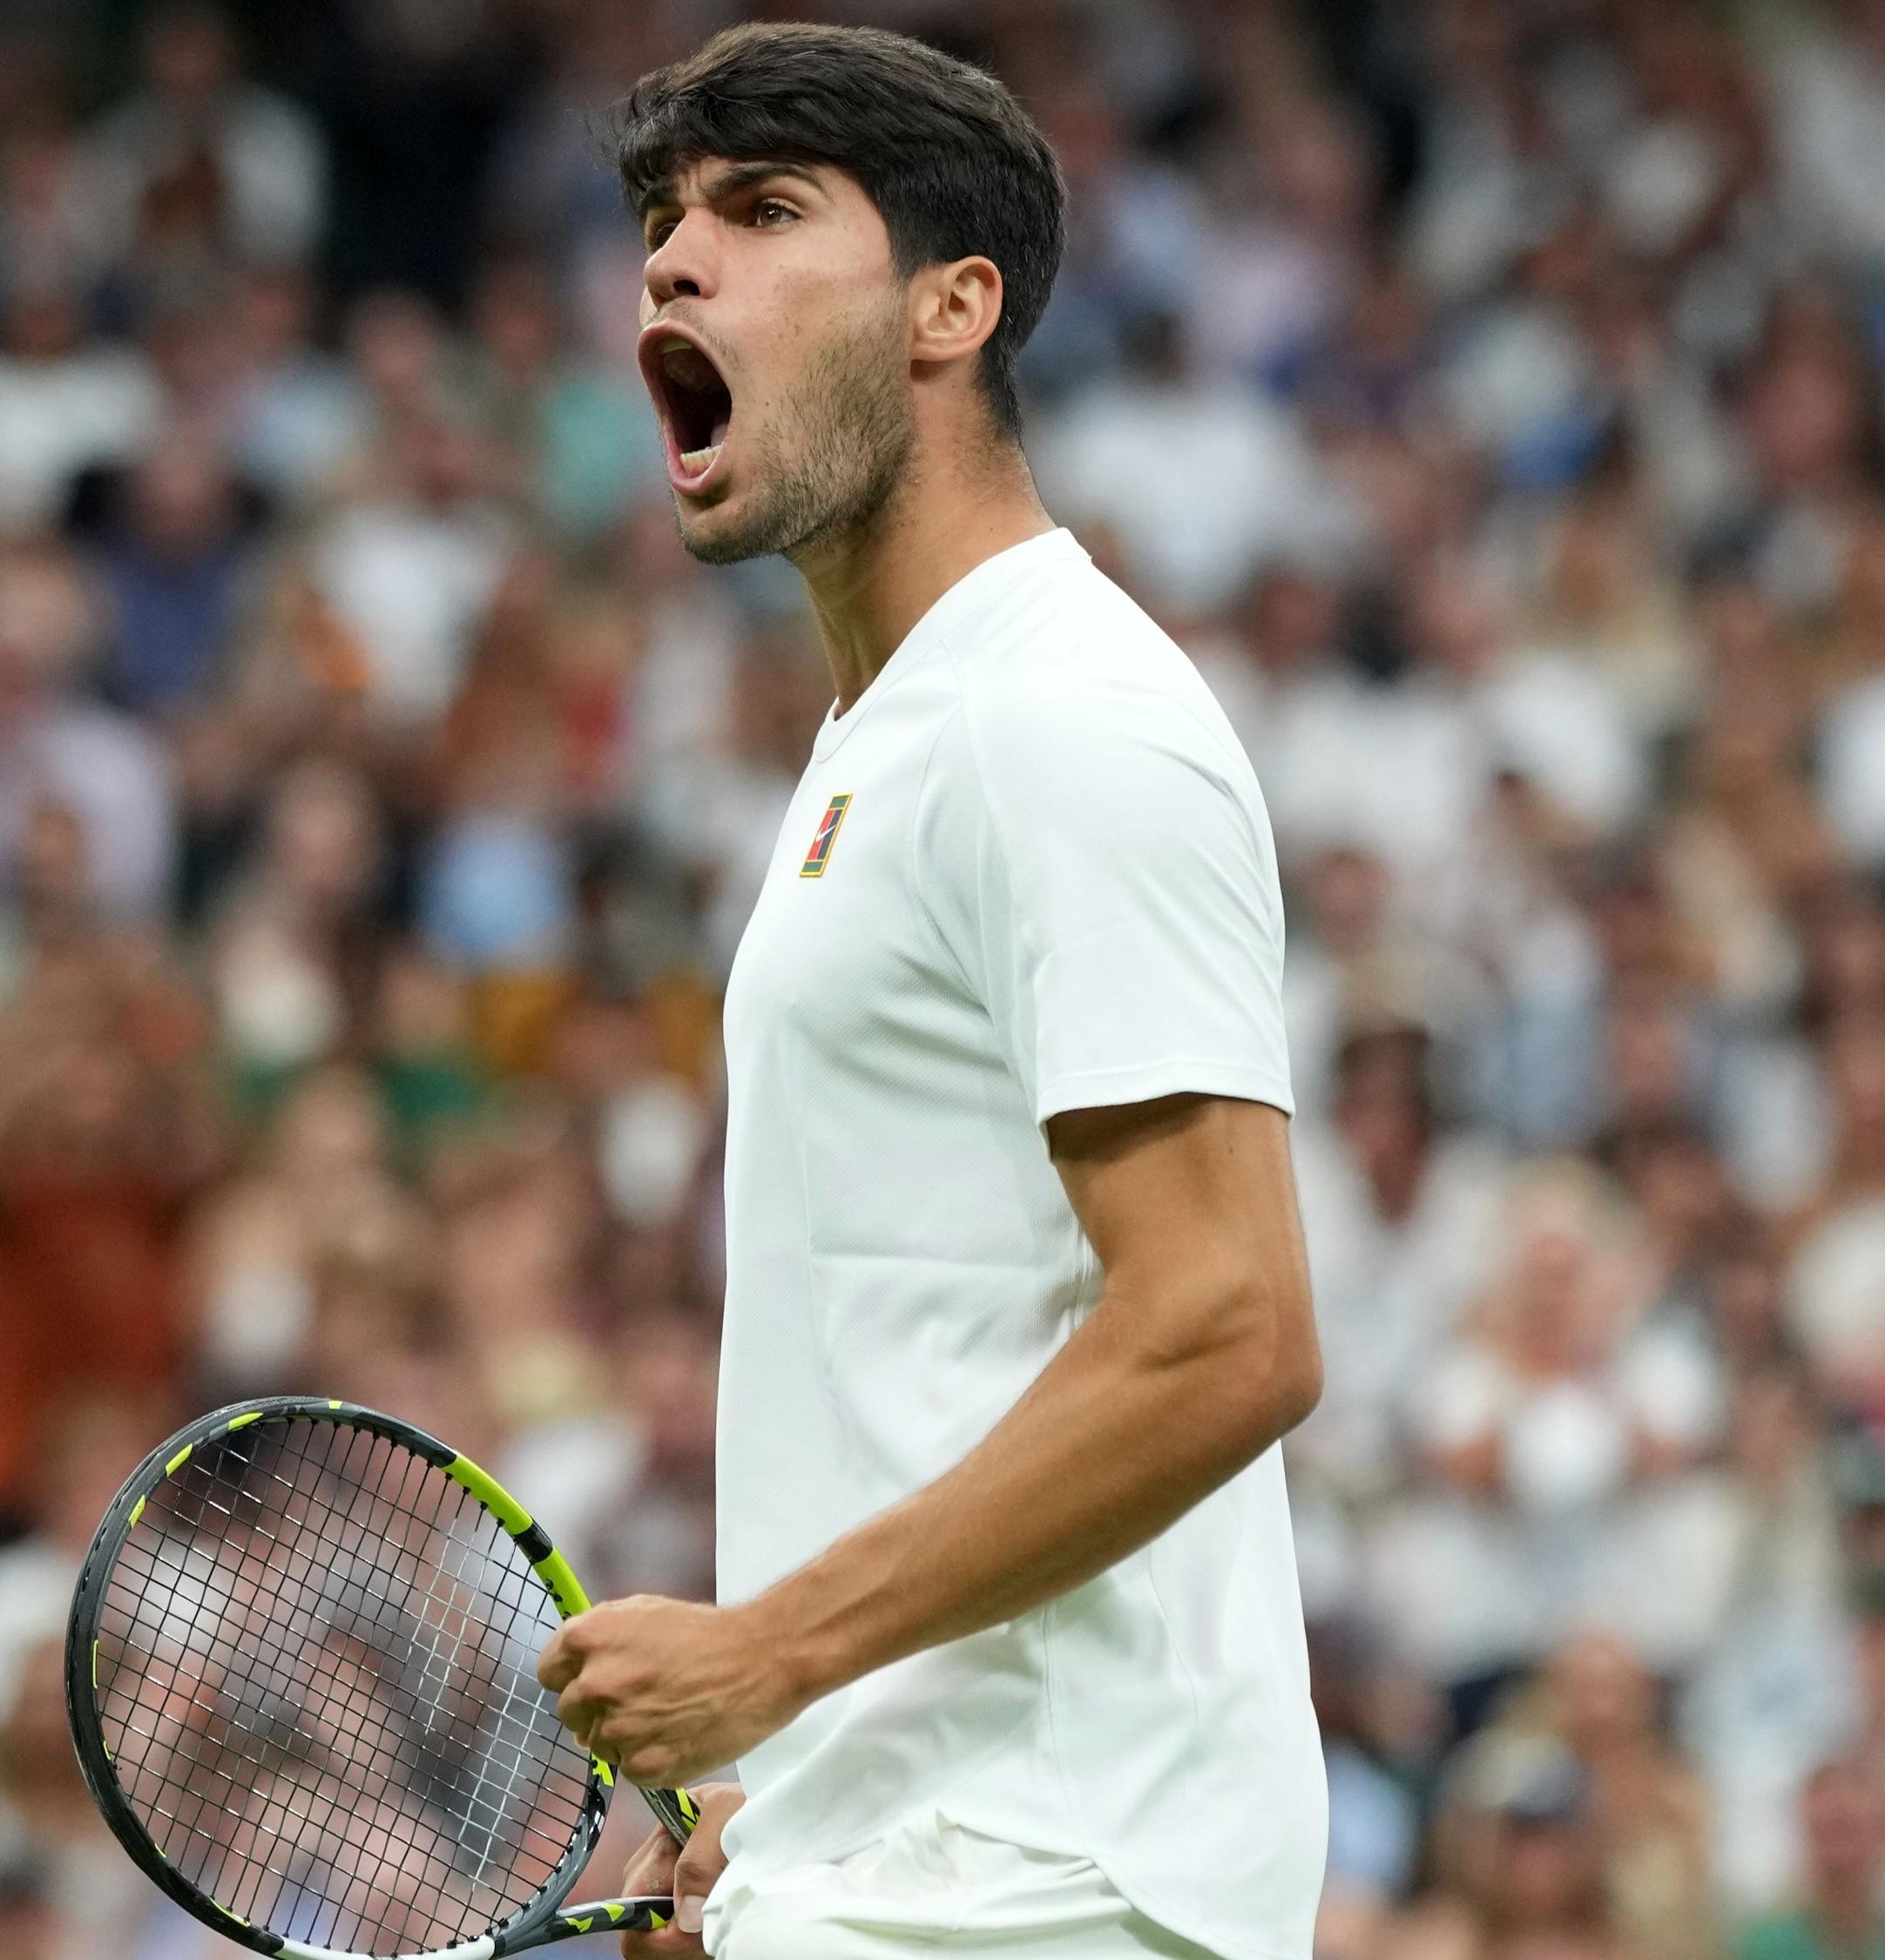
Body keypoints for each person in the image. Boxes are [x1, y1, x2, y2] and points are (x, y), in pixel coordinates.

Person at [530, 24, 1326, 1960]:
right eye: (661, 220)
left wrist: (765, 1656)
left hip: (1044, 1883)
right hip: (928, 1861)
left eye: (763, 209)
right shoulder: (891, 733)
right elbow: (935, 1350)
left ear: (948, 308)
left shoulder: (1062, 712)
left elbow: (1228, 1328)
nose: (672, 261)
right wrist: (788, 1781)